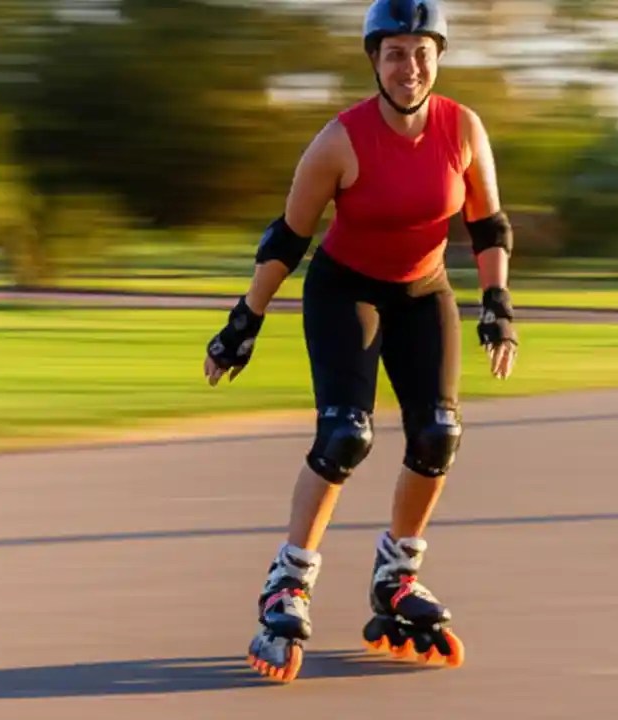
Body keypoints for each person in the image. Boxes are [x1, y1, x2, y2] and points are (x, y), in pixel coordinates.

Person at [203, 0, 518, 683]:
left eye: (422, 52)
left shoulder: (462, 129)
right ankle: (287, 581)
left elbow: (488, 226)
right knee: (346, 435)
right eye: (396, 53)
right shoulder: (339, 141)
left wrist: (497, 304)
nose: (411, 67)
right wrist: (242, 324)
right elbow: (287, 239)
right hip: (345, 291)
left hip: (423, 291)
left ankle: (397, 576)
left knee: (438, 433)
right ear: (374, 60)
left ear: (438, 55)